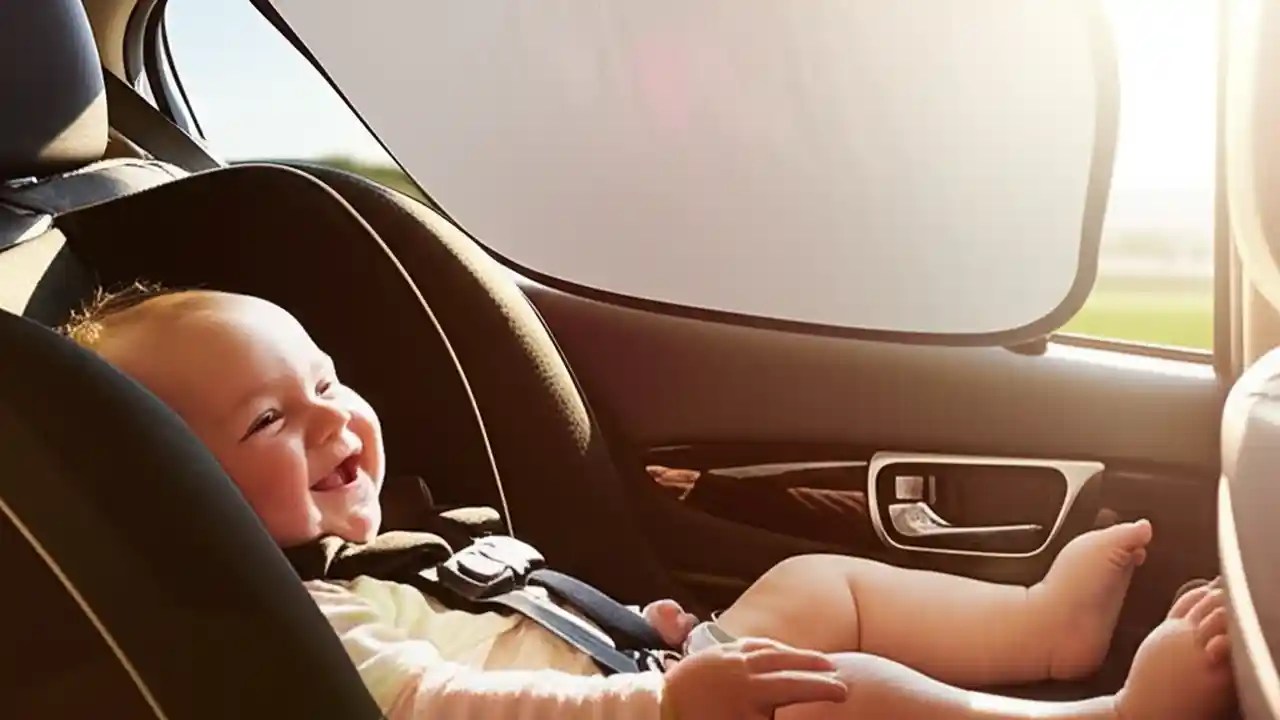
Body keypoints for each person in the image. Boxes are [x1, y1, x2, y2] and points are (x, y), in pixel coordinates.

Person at [61, 283, 1237, 720]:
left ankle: (1037, 629)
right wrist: (664, 709)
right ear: (174, 495)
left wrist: (650, 636)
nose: (330, 420)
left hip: (649, 676)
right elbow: (461, 708)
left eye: (325, 383)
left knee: (810, 587)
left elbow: (529, 624)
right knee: (833, 697)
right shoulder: (307, 626)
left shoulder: (397, 548)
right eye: (268, 421)